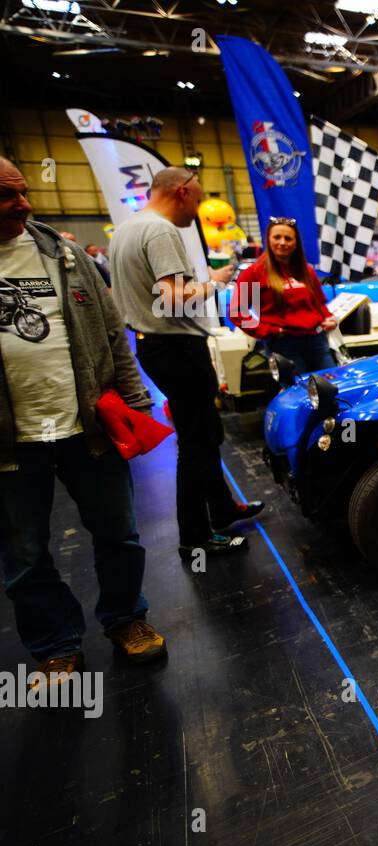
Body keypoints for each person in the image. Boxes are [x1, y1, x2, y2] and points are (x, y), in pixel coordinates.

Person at [0, 157, 167, 685]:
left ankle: (126, 619)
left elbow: (113, 332)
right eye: (8, 197)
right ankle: (55, 646)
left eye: (24, 192)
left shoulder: (65, 255)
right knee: (24, 555)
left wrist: (137, 405)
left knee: (119, 533)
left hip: (88, 428)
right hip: (11, 442)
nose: (24, 205)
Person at [108, 167, 262, 557]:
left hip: (157, 345)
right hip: (177, 347)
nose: (197, 211)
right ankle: (195, 536)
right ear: (181, 191)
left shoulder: (128, 228)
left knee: (205, 436)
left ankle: (223, 509)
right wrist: (217, 282)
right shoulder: (161, 231)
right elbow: (171, 299)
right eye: (196, 200)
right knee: (196, 444)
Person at [229, 217, 338, 371]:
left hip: (317, 341)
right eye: (277, 237)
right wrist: (267, 332)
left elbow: (318, 304)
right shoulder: (254, 273)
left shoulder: (306, 271)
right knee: (297, 392)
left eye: (288, 238)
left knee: (331, 386)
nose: (282, 242)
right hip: (283, 345)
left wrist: (329, 319)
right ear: (268, 240)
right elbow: (238, 312)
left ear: (295, 243)